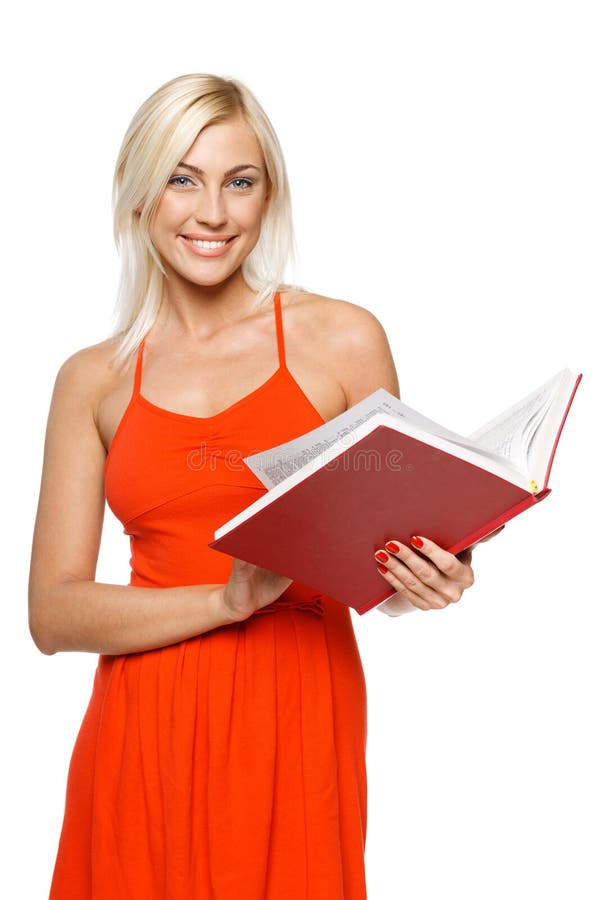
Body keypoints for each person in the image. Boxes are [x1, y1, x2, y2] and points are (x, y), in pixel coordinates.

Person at [28, 73, 486, 899]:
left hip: (297, 712)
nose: (213, 213)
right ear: (138, 194)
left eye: (240, 182)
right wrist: (225, 602)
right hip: (144, 726)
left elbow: (387, 566)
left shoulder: (341, 340)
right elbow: (52, 615)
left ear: (268, 196)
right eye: (182, 178)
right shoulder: (91, 379)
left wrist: (431, 580)